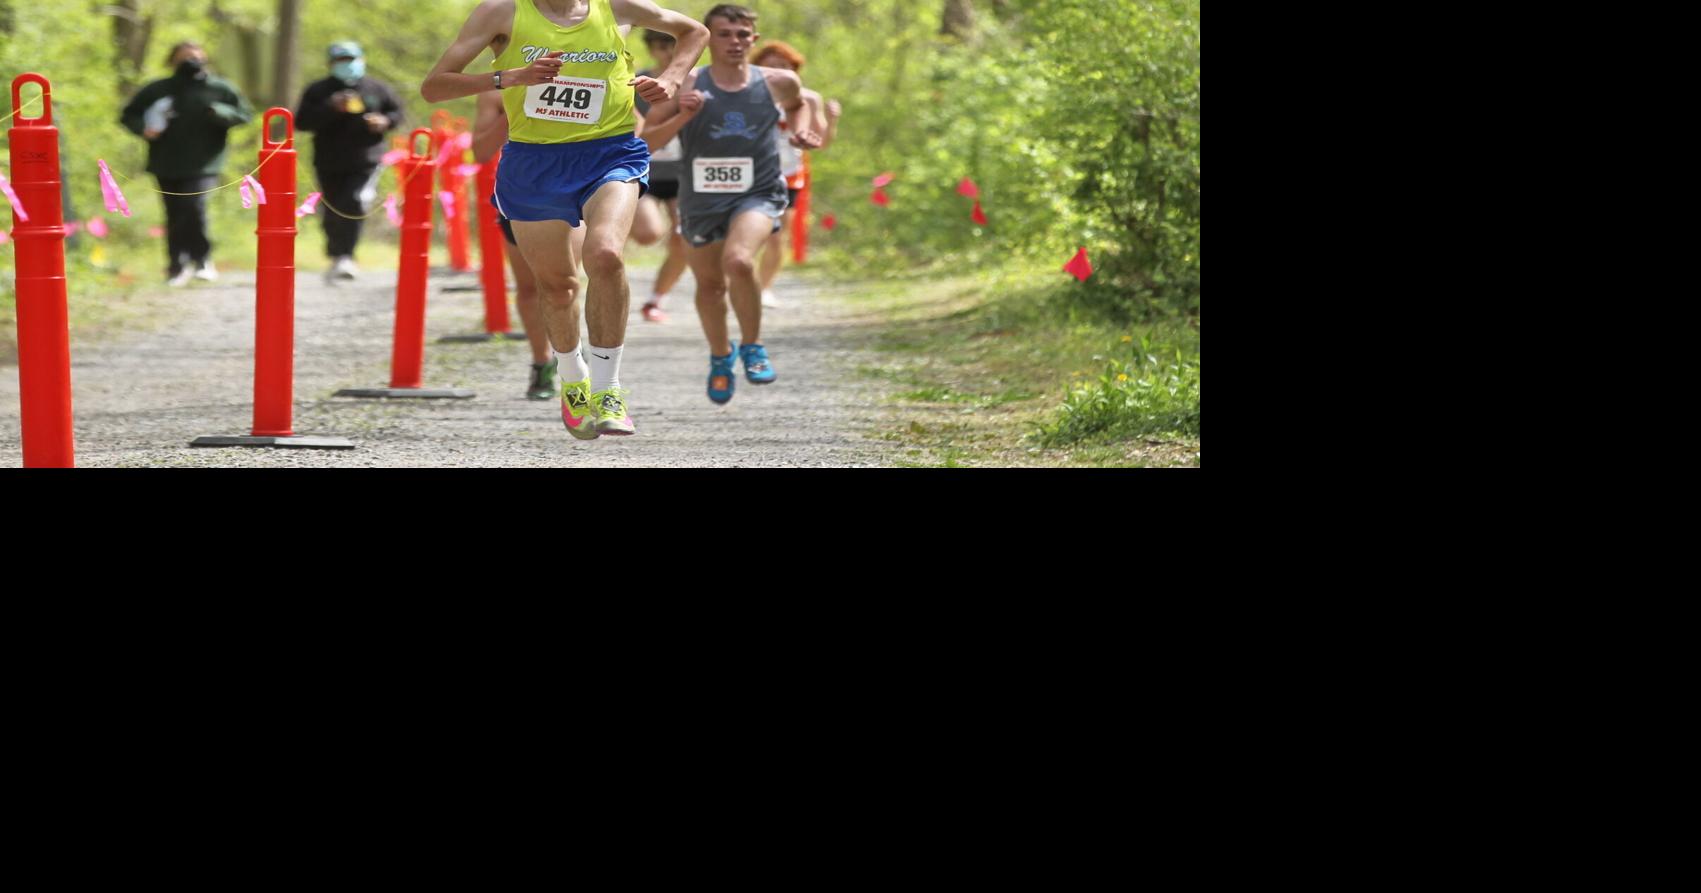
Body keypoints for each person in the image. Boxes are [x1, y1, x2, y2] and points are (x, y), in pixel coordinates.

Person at [422, 0, 708, 439]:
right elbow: (435, 87)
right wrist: (509, 77)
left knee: (607, 255)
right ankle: (573, 380)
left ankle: (609, 389)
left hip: (610, 152)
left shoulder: (615, 7)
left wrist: (670, 79)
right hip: (534, 163)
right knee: (559, 288)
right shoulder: (501, 13)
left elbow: (694, 32)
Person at [638, 4, 821, 405]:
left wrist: (803, 129)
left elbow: (797, 106)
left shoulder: (778, 82)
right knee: (710, 284)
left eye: (743, 34)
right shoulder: (685, 83)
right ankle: (721, 357)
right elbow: (645, 141)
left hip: (759, 191)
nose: (735, 42)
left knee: (739, 261)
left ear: (753, 39)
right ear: (707, 38)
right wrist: (683, 119)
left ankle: (752, 345)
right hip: (700, 198)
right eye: (724, 34)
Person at [119, 41, 254, 287]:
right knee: (174, 214)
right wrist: (144, 129)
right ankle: (176, 266)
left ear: (205, 59)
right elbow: (129, 114)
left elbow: (244, 114)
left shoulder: (220, 89)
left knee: (194, 206)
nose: (190, 62)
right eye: (183, 58)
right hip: (166, 163)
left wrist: (219, 112)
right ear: (172, 61)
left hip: (206, 163)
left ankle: (202, 260)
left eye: (195, 57)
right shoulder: (158, 89)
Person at [294, 41, 407, 285]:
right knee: (332, 209)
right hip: (328, 160)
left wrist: (384, 121)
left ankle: (347, 256)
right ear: (331, 64)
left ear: (361, 60)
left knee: (355, 201)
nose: (347, 65)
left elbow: (398, 114)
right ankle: (336, 253)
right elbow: (301, 122)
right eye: (341, 61)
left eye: (351, 59)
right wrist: (331, 108)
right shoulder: (318, 90)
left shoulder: (378, 88)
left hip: (367, 160)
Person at [749, 39, 839, 309]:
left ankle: (764, 289)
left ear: (795, 70)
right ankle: (741, 283)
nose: (778, 71)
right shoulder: (744, 93)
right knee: (747, 233)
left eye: (784, 66)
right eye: (771, 66)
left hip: (788, 173)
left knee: (777, 234)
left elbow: (821, 141)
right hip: (748, 173)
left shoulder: (808, 98)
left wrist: (832, 120)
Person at [631, 28, 690, 323]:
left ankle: (656, 300)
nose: (668, 52)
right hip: (645, 170)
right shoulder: (636, 83)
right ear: (652, 49)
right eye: (662, 46)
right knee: (647, 234)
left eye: (674, 46)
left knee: (684, 237)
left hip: (684, 174)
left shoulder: (695, 84)